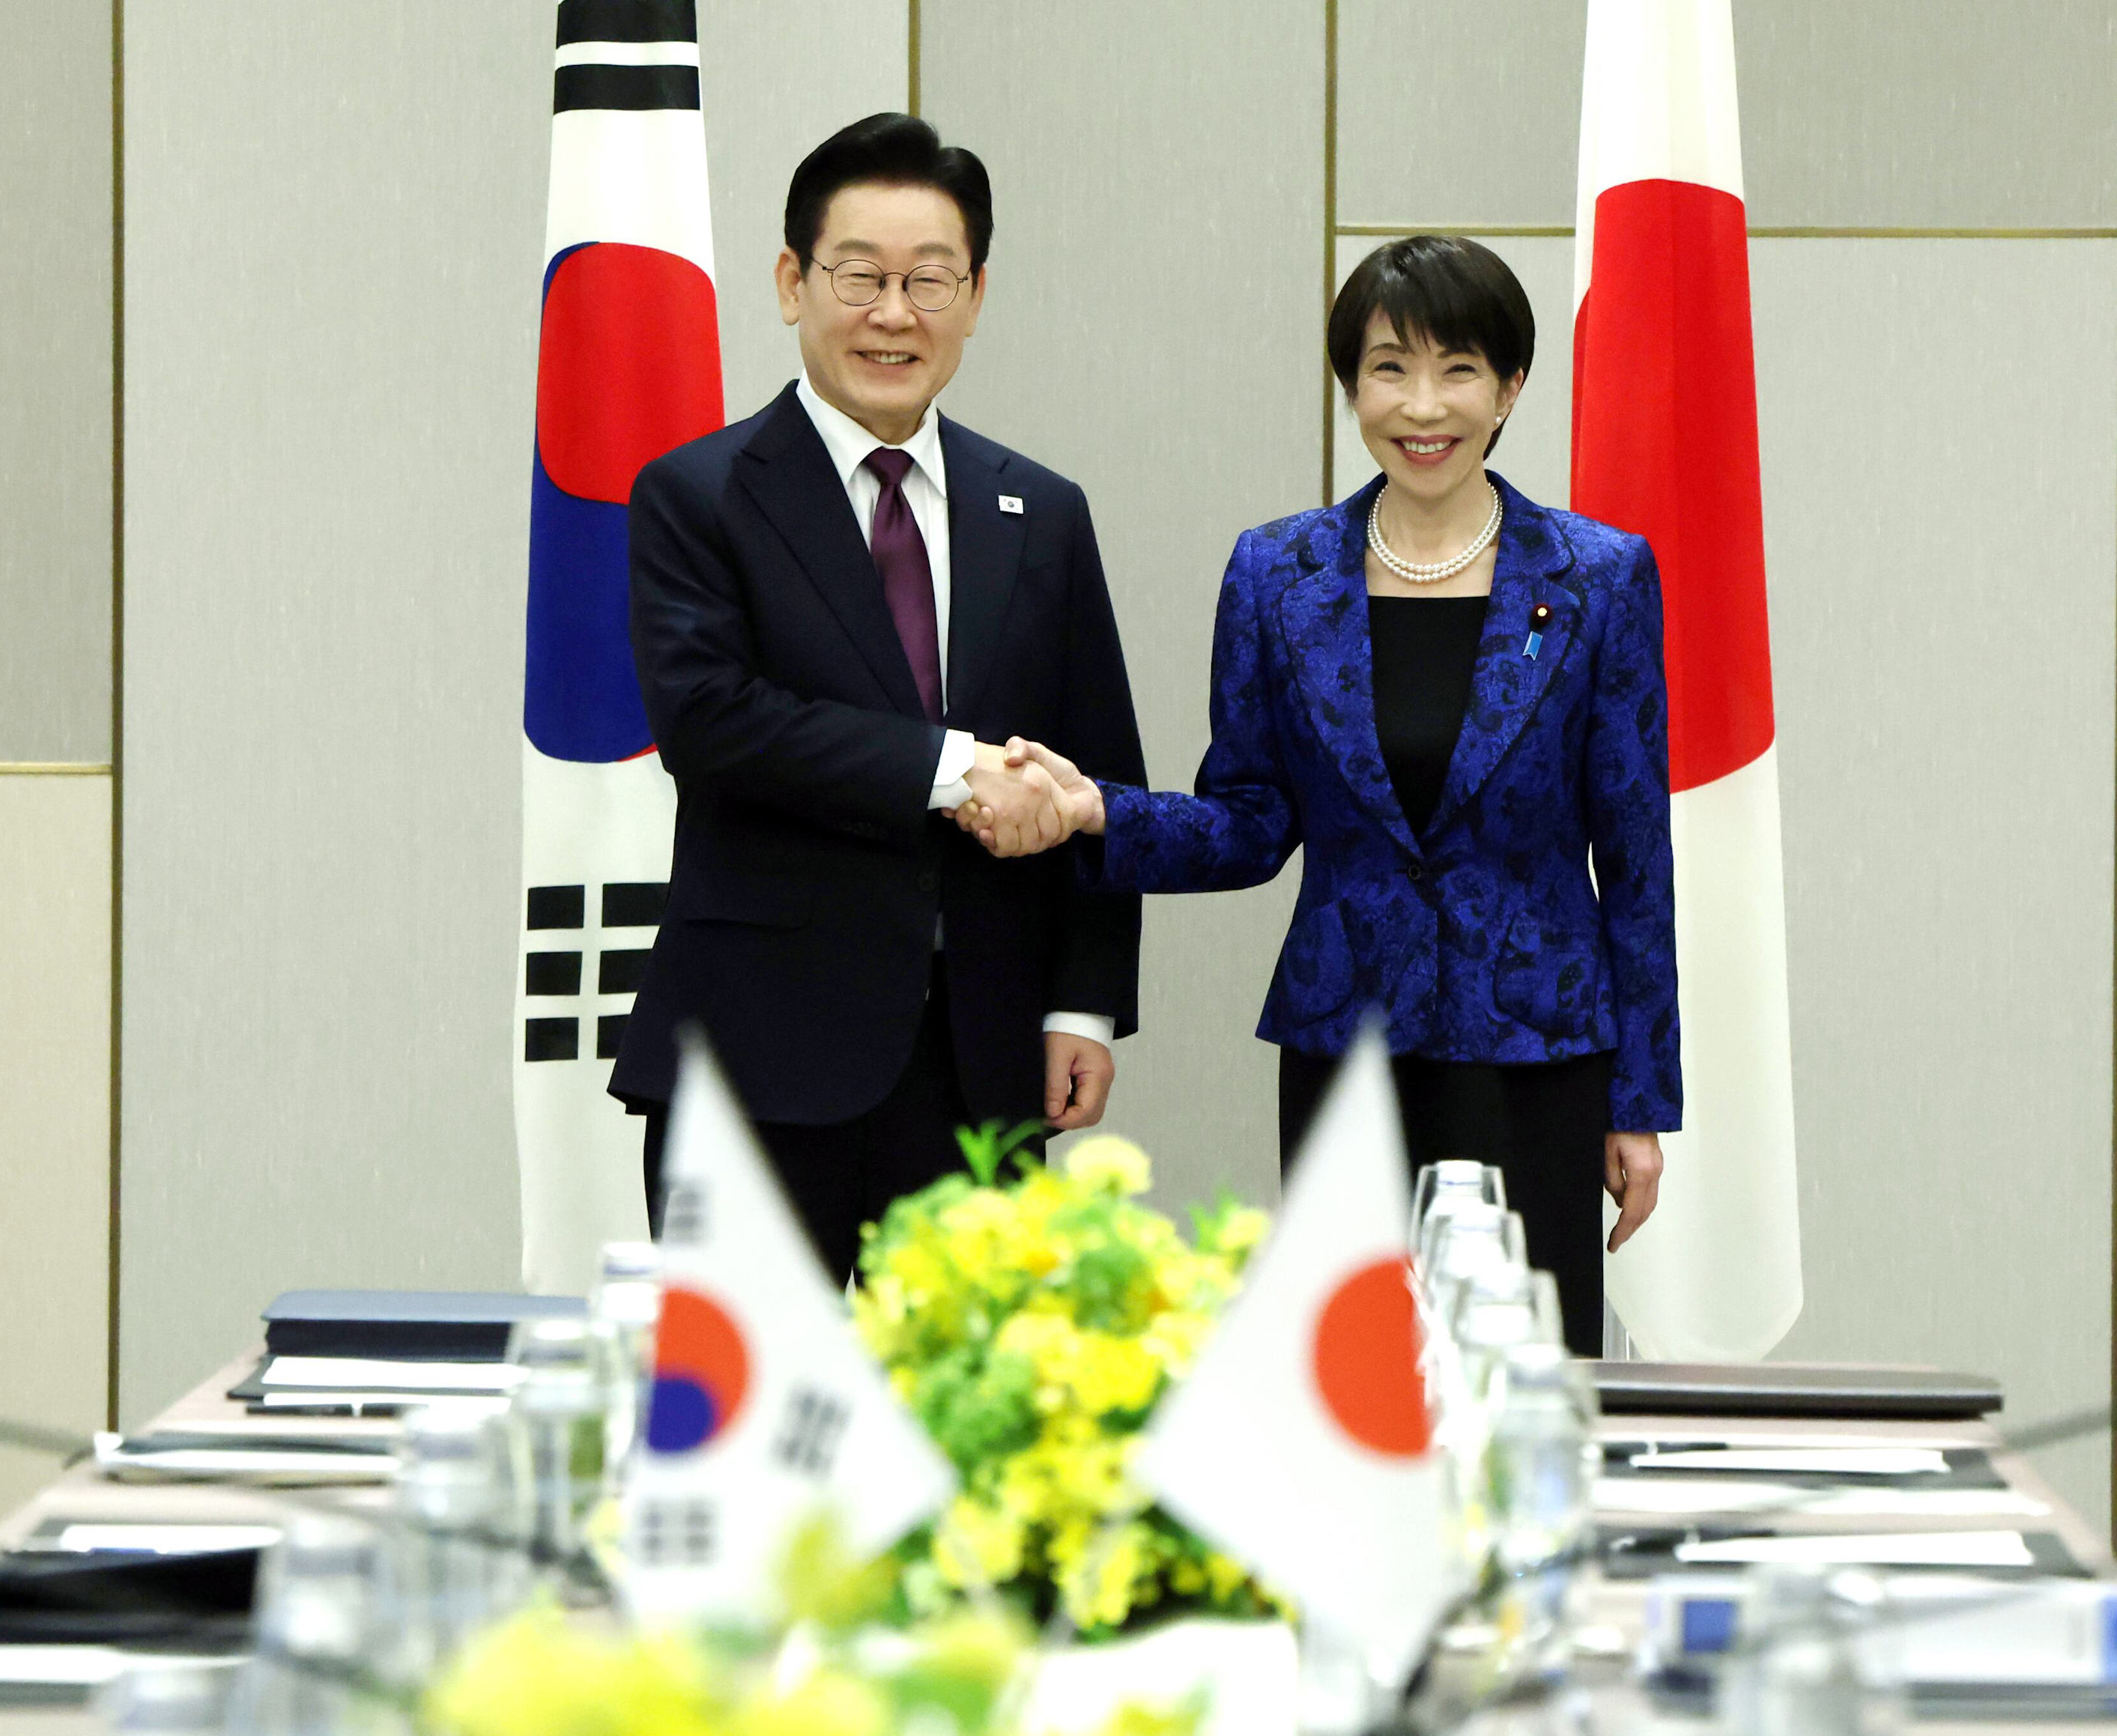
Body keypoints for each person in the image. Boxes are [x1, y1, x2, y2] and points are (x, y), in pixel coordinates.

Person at [969, 234, 1675, 1354]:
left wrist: (1640, 1100)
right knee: (1351, 1381)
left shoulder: (1597, 577)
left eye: (1459, 370)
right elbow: (1248, 820)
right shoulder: (1277, 573)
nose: (1422, 404)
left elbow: (1636, 858)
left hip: (1538, 1052)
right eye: (1390, 368)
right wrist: (1097, 811)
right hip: (1346, 1044)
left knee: (1522, 1375)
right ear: (1352, 386)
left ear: (1511, 388)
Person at [611, 112, 1147, 1285]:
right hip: (756, 1063)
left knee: (969, 1434)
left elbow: (1096, 774)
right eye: (860, 276)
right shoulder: (696, 496)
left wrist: (1087, 1005)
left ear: (976, 294)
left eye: (929, 279)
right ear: (793, 281)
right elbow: (710, 724)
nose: (893, 313)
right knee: (747, 1441)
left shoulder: (1040, 512)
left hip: (981, 1069)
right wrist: (955, 771)